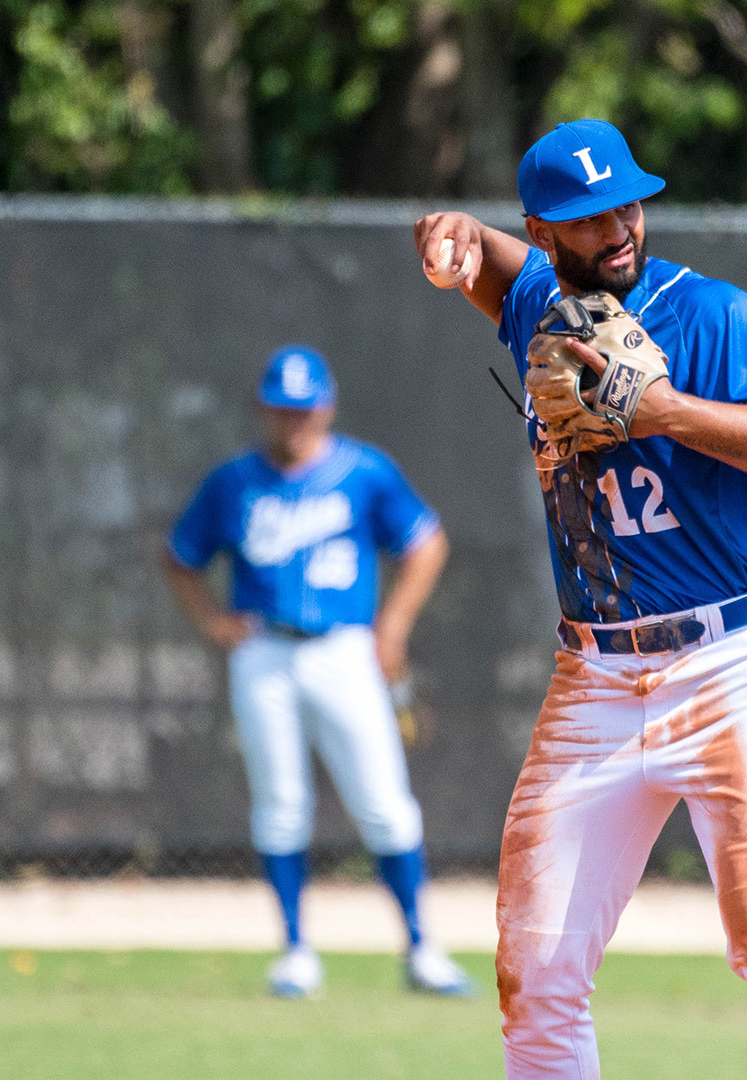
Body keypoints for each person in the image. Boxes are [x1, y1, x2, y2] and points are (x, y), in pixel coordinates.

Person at [413, 120, 747, 1078]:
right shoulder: (540, 294)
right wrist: (453, 228)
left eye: (626, 200)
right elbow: (494, 262)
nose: (617, 224)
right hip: (594, 680)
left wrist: (663, 412)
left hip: (727, 665)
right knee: (534, 971)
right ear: (546, 232)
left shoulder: (713, 315)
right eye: (587, 216)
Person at [161, 345, 474, 999]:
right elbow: (179, 555)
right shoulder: (235, 481)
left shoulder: (364, 471)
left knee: (386, 807)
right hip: (264, 652)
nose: (292, 421)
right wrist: (213, 622)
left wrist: (393, 626)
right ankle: (297, 952)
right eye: (281, 409)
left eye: (303, 409)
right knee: (280, 807)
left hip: (343, 650)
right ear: (263, 410)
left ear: (326, 407)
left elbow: (425, 542)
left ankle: (422, 949)